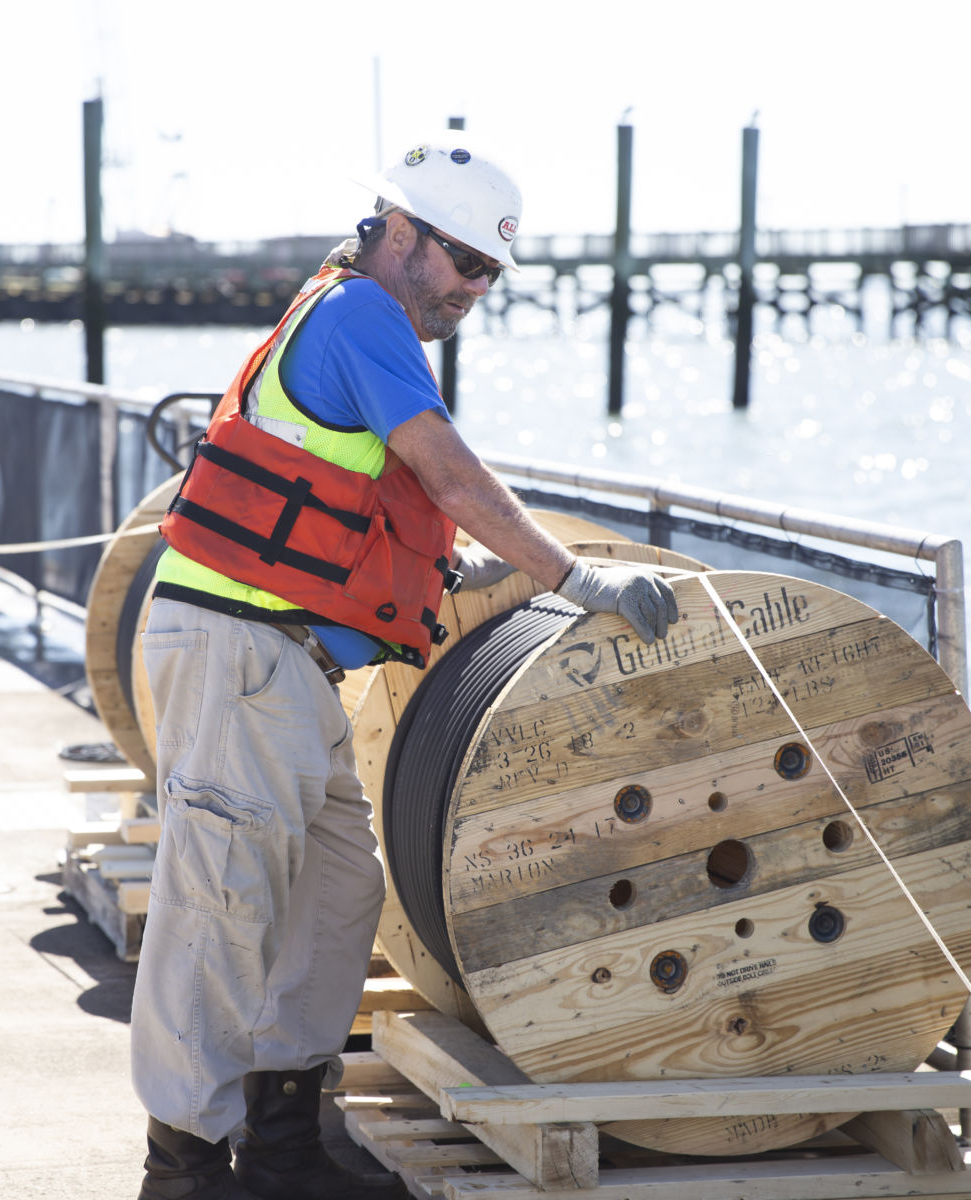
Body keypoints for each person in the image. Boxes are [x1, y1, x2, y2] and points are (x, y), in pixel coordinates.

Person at [131, 136, 678, 1200]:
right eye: (464, 261)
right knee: (222, 909)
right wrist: (575, 578)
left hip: (284, 666)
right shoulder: (362, 313)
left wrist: (448, 569)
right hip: (239, 650)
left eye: (491, 274)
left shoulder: (348, 314)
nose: (475, 289)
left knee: (339, 891)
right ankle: (186, 1166)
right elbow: (447, 471)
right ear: (400, 233)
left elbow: (359, 507)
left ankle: (285, 1142)